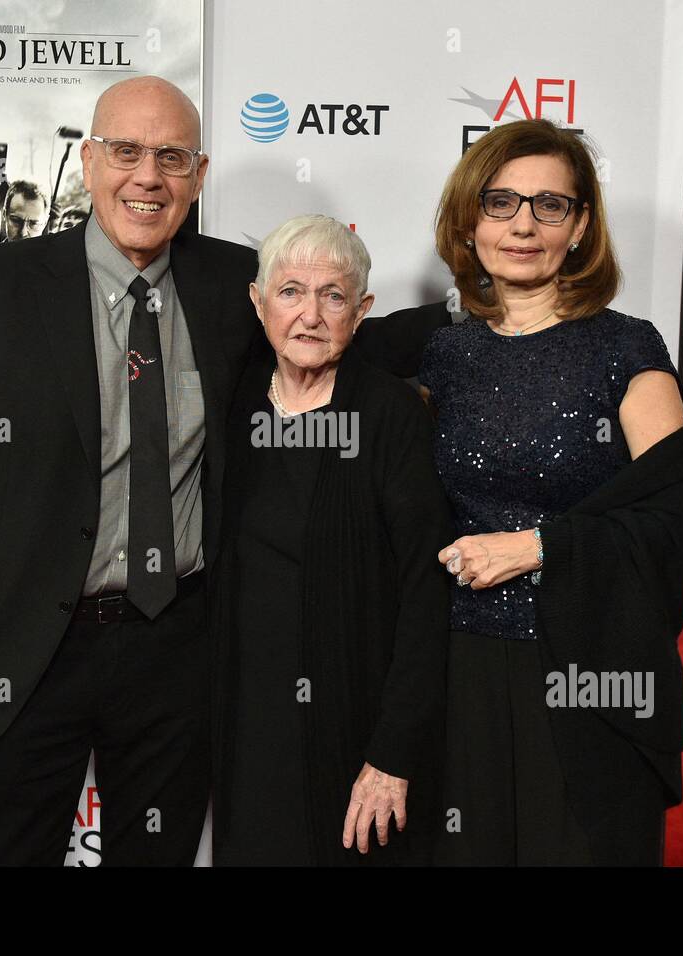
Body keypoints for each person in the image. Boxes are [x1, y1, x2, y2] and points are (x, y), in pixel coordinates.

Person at [0, 75, 262, 866]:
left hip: (178, 645)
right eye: (125, 151)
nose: (147, 177)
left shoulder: (239, 286)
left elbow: (329, 344)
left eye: (171, 157)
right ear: (90, 162)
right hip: (29, 645)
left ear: (198, 176)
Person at [413, 119, 683, 865]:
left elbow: (679, 520)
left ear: (580, 227)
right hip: (461, 673)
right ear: (469, 219)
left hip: (585, 668)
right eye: (501, 201)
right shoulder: (442, 355)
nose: (522, 224)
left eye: (550, 206)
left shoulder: (627, 347)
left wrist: (540, 548)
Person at [211, 215, 452, 866]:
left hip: (356, 730)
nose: (310, 315)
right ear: (260, 304)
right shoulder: (233, 408)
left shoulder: (391, 417)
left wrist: (393, 755)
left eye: (333, 296)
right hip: (248, 733)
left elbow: (427, 598)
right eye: (290, 292)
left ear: (362, 311)